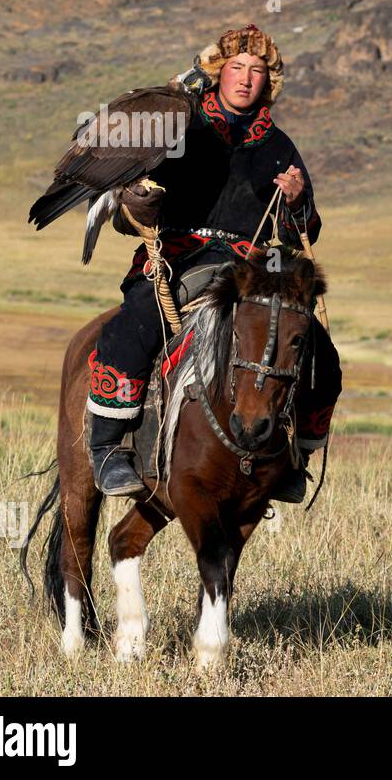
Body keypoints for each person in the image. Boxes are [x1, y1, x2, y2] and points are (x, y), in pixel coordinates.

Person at [87, 25, 341, 501]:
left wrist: (298, 201)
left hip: (250, 269)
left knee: (319, 353)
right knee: (133, 326)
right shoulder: (180, 127)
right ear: (217, 72)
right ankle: (106, 448)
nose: (245, 79)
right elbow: (128, 212)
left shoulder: (280, 148)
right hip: (177, 258)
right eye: (236, 68)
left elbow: (304, 233)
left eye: (257, 71)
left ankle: (294, 458)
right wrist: (139, 206)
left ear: (268, 82)